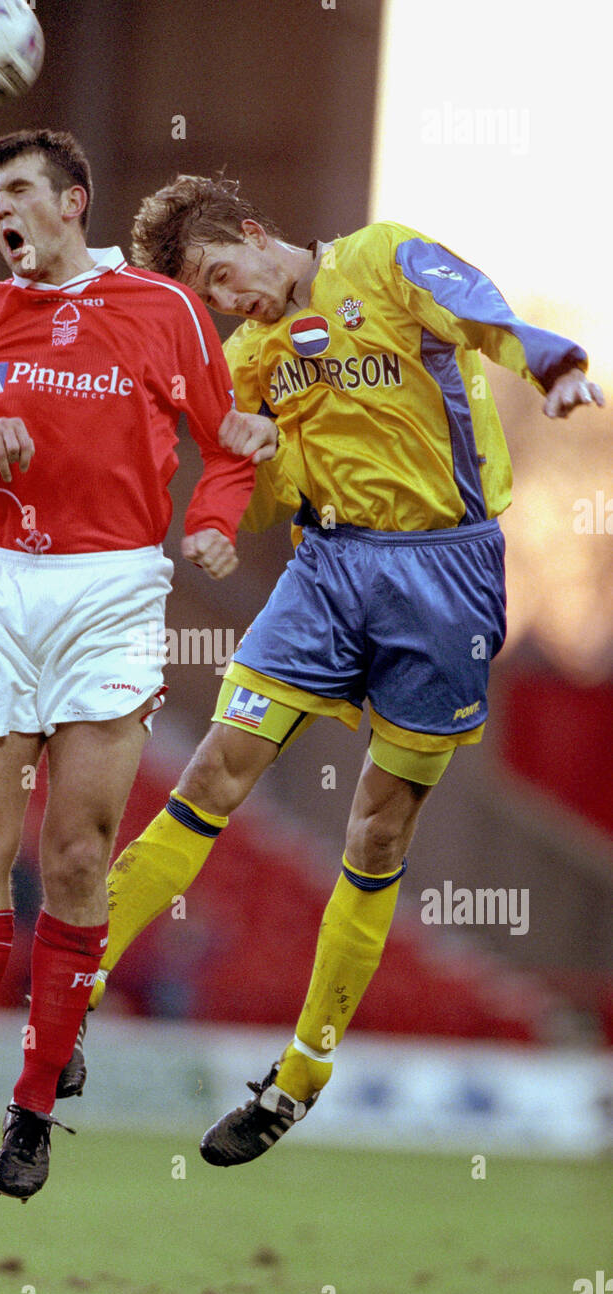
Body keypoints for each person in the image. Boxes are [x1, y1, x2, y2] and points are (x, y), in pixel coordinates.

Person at [63, 174, 605, 1166]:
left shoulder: (381, 260)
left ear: (257, 233)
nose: (232, 303)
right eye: (210, 297)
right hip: (323, 577)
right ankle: (72, 994)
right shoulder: (249, 359)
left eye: (225, 277)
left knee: (375, 827)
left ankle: (298, 1077)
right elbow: (251, 487)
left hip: (443, 577)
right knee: (210, 774)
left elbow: (484, 316)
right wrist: (228, 513)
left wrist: (554, 363)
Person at [0, 134, 277, 1201]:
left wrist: (208, 521)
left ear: (70, 201)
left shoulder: (161, 307)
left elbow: (231, 437)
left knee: (73, 858)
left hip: (109, 595)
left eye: (14, 191)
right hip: (2, 588)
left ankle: (36, 1106)